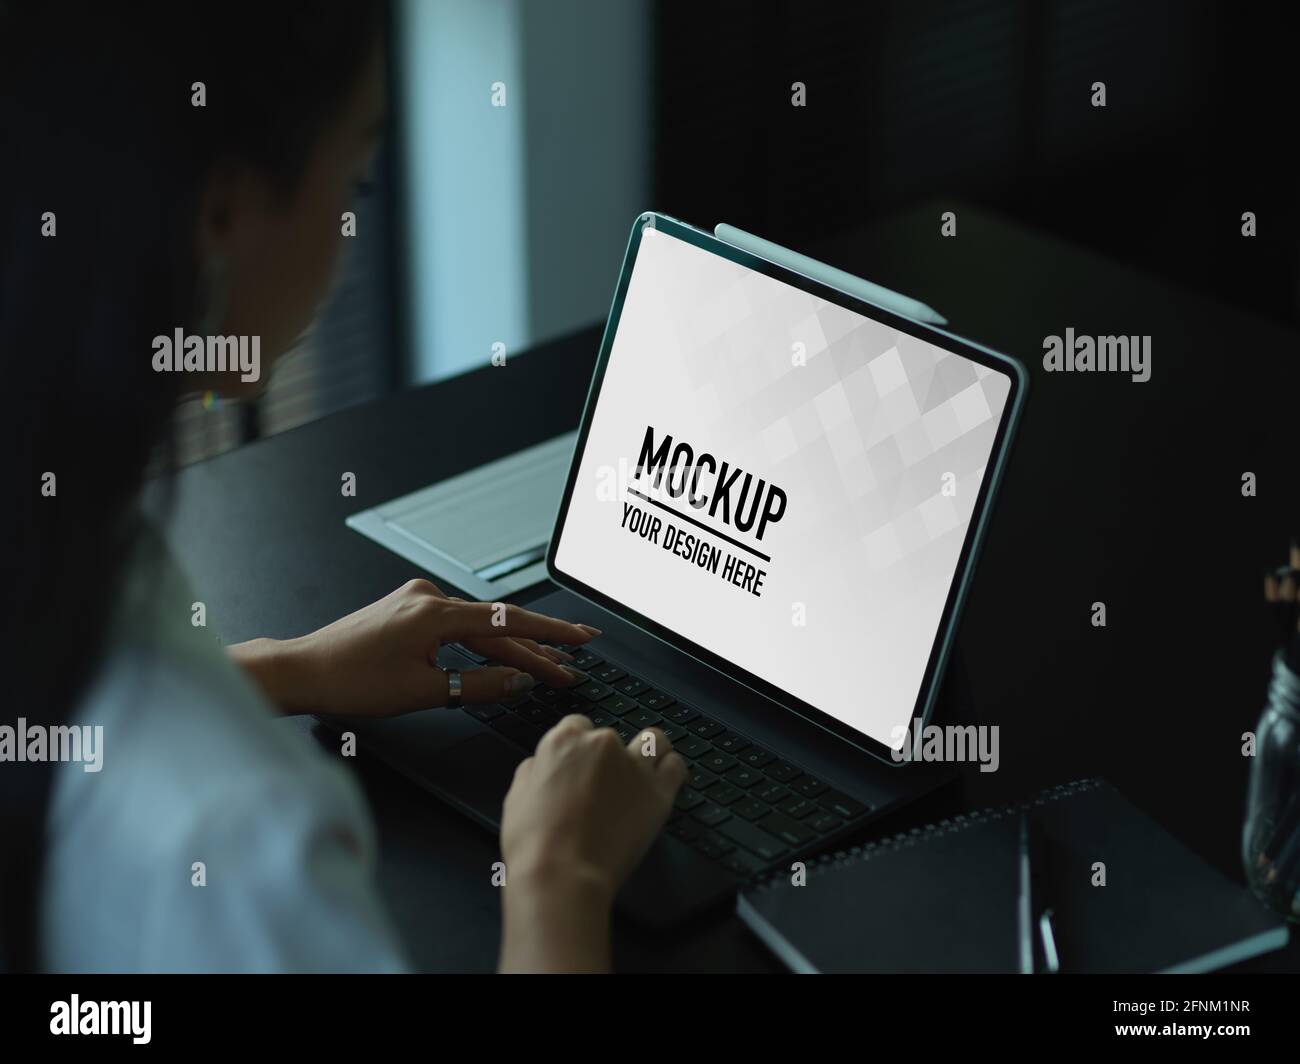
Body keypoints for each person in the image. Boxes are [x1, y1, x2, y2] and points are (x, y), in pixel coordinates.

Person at [0, 3, 686, 973]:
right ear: (223, 215)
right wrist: (557, 874)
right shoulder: (242, 846)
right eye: (355, 172)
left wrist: (284, 668)